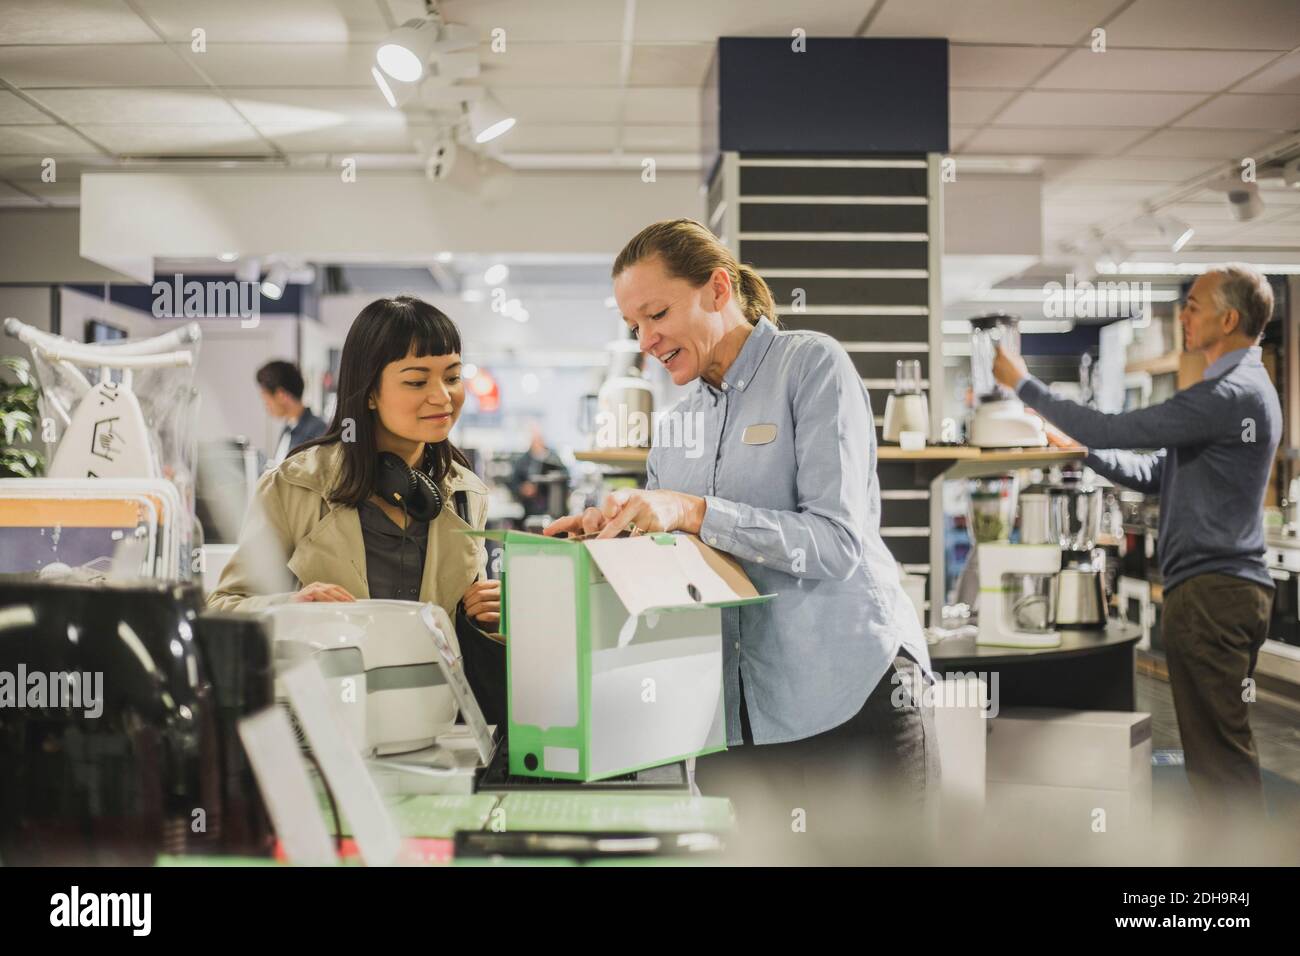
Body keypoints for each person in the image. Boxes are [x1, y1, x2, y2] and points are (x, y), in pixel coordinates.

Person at [544, 219, 938, 848]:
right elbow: (677, 567)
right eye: (634, 327)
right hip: (735, 717)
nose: (646, 339)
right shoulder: (676, 427)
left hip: (849, 693)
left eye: (657, 314)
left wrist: (693, 510)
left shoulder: (811, 365)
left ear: (717, 289)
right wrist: (611, 535)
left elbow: (835, 543)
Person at [993, 263, 1280, 817]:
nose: (1184, 315)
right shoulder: (1238, 388)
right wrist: (1078, 447)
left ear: (1228, 317)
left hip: (1212, 596)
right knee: (1215, 753)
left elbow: (1113, 427)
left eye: (1194, 305)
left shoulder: (1230, 393)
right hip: (1222, 591)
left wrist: (1022, 384)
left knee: (1218, 760)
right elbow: (1152, 472)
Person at [211, 297, 505, 721]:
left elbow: (460, 627)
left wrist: (489, 613)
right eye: (417, 381)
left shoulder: (464, 493)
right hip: (326, 729)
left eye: (453, 377)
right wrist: (290, 608)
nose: (443, 396)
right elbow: (224, 608)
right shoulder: (296, 486)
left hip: (434, 727)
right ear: (369, 393)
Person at [257, 360, 327, 466]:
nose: (266, 405)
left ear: (281, 395)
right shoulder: (288, 427)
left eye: (266, 400)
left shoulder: (318, 430)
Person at [508, 421, 569, 518]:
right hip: (529, 508)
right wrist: (523, 489)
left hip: (552, 505)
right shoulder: (522, 461)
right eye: (534, 439)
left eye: (539, 439)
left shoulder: (554, 458)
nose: (537, 442)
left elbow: (565, 477)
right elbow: (513, 483)